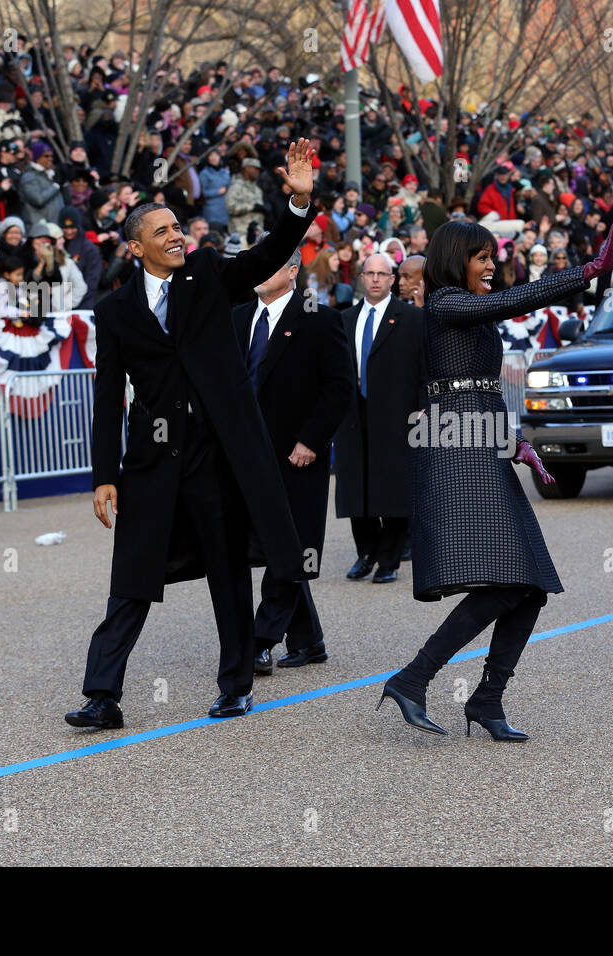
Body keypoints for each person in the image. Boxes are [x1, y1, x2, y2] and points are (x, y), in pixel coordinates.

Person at [65, 138, 319, 730]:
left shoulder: (206, 274)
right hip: (152, 463)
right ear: (136, 247)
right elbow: (107, 399)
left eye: (178, 226)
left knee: (227, 572)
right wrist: (104, 475)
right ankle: (103, 695)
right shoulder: (114, 310)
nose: (177, 235)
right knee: (130, 578)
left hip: (215, 458)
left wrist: (298, 205)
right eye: (163, 231)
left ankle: (235, 685)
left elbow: (264, 256)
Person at [377, 218, 613, 741]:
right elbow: (516, 303)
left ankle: (485, 700)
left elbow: (479, 389)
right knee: (513, 580)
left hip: (480, 446)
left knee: (531, 584)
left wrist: (516, 443)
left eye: (493, 256)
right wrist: (585, 270)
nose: (492, 265)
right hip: (454, 454)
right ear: (455, 259)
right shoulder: (447, 303)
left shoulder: (470, 315)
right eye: (481, 256)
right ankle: (413, 679)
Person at [232, 243, 355, 674]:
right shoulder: (238, 317)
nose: (257, 272)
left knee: (291, 545)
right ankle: (309, 639)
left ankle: (262, 639)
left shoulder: (319, 318)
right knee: (273, 546)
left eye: (267, 264)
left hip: (297, 456)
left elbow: (340, 386)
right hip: (248, 456)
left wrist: (311, 441)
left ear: (291, 270)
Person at [335, 253, 426, 584]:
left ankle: (389, 560)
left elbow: (424, 366)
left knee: (394, 490)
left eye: (382, 274)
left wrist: (423, 404)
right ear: (361, 278)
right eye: (369, 273)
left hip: (398, 414)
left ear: (393, 280)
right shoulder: (344, 320)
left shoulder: (413, 318)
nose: (375, 279)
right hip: (352, 416)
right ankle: (367, 553)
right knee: (355, 488)